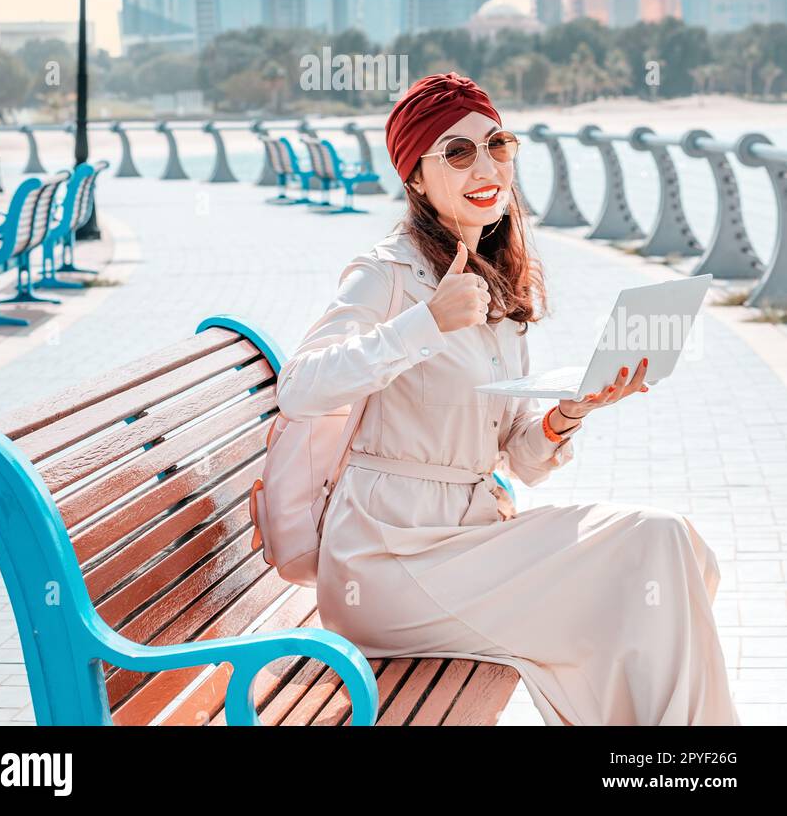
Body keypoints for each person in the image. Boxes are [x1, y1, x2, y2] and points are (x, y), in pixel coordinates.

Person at [275, 71, 741, 727]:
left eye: (497, 145)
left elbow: (518, 460)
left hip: (469, 542)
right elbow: (300, 387)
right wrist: (423, 324)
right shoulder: (387, 271)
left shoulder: (491, 272)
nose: (485, 165)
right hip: (387, 563)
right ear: (416, 179)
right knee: (651, 547)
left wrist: (566, 415)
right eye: (456, 152)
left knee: (681, 550)